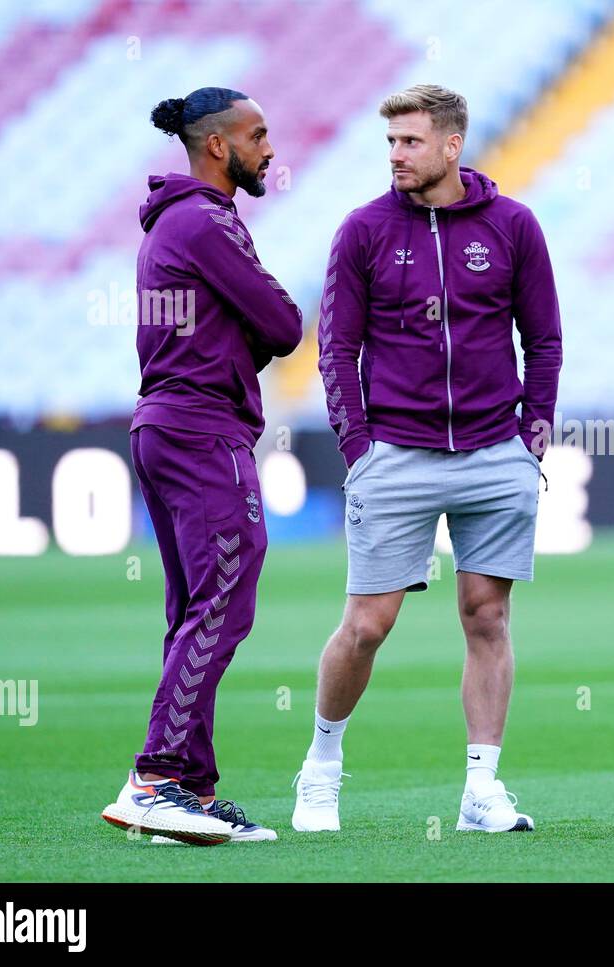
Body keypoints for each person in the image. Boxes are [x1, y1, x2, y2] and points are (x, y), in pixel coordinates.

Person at [293, 84, 562, 834]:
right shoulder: (364, 231)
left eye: (410, 142)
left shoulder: (513, 226)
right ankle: (321, 768)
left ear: (452, 145)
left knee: (487, 616)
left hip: (494, 452)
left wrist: (531, 436)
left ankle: (482, 789)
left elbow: (542, 340)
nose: (396, 156)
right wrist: (357, 446)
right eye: (390, 143)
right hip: (396, 454)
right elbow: (337, 346)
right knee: (368, 624)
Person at [102, 87, 303, 844]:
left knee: (195, 609)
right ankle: (156, 778)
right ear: (217, 145)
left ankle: (184, 787)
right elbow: (283, 321)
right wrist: (251, 341)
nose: (269, 149)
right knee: (225, 599)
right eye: (258, 134)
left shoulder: (172, 224)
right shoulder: (206, 221)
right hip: (200, 431)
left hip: (167, 424)